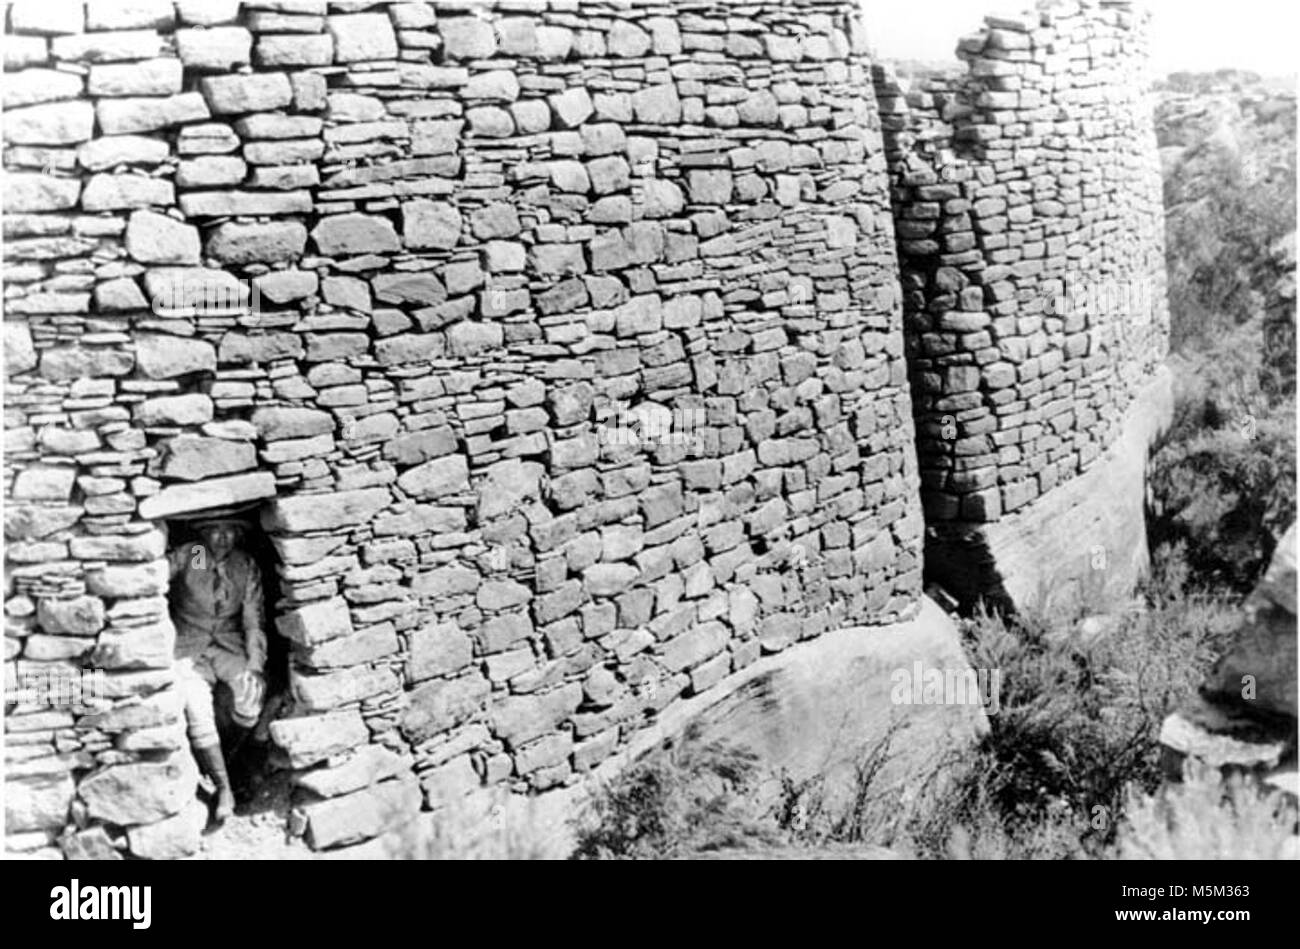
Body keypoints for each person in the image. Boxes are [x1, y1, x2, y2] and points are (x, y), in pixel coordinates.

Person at [168, 517, 266, 824]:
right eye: (215, 530)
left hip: (227, 645)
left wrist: (255, 665)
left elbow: (253, 621)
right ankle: (224, 788)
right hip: (190, 646)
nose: (222, 537)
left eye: (230, 531)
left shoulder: (244, 564)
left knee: (252, 695)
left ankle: (227, 760)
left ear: (238, 533)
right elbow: (164, 575)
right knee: (196, 706)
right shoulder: (195, 555)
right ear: (204, 532)